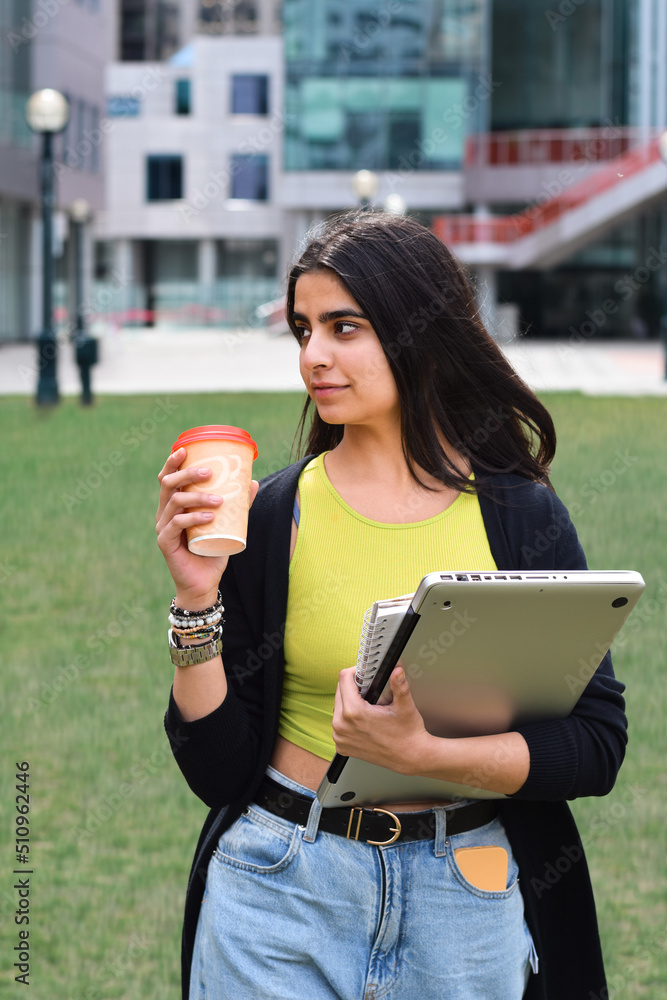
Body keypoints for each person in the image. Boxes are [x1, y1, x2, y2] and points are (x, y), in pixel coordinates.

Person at [156, 211, 627, 1000]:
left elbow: (594, 744)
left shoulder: (518, 515)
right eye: (303, 330)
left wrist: (425, 755)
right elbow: (218, 770)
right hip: (279, 882)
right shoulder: (272, 517)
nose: (314, 356)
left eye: (345, 327)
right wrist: (195, 599)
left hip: (464, 891)